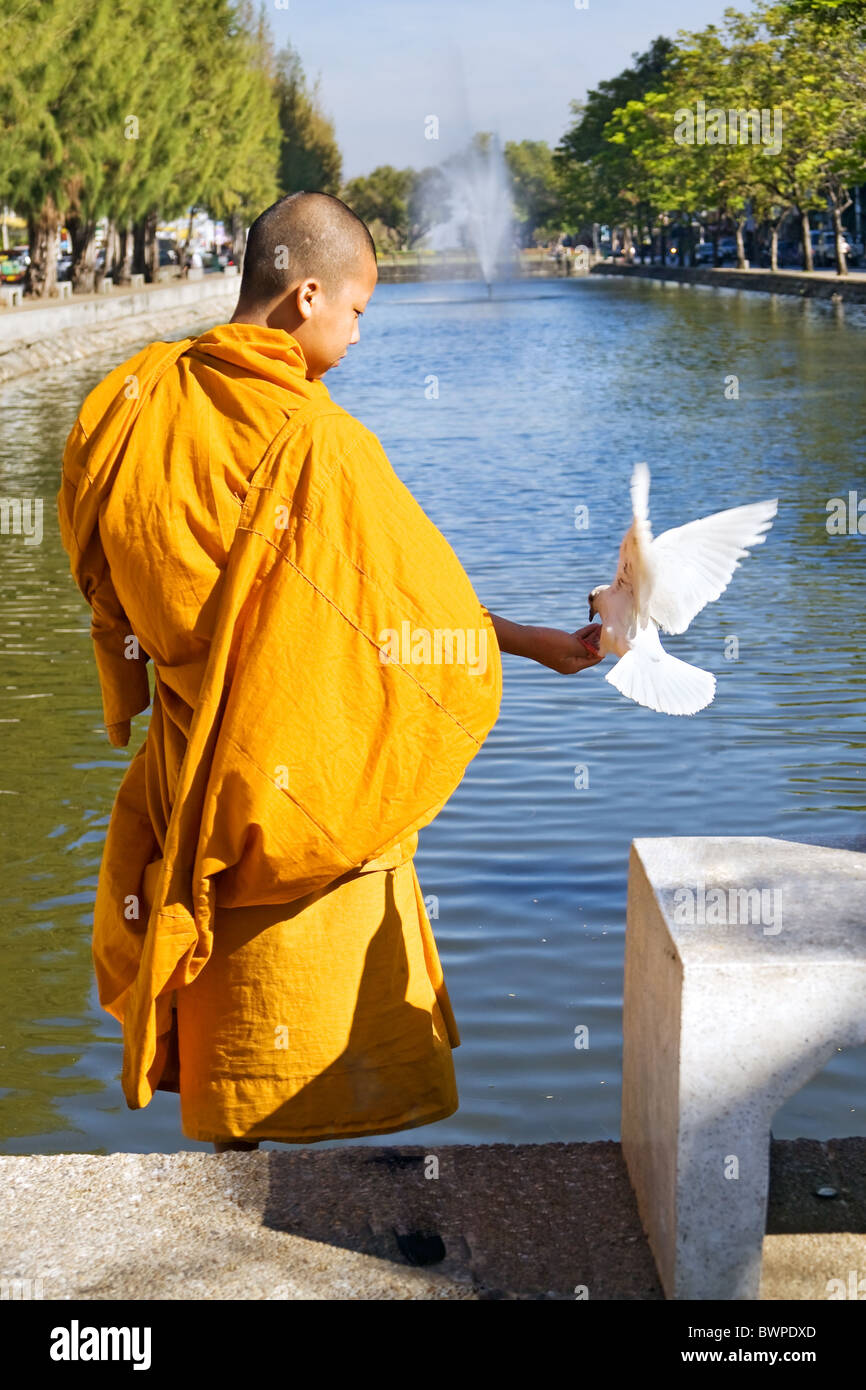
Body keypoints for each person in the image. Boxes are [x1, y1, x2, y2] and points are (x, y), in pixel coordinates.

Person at [57, 192, 602, 1153]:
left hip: (196, 766)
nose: (356, 337)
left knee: (227, 1046)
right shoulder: (322, 443)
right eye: (356, 314)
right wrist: (530, 644)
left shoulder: (132, 405)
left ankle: (225, 1174)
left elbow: (110, 582)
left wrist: (534, 642)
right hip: (300, 782)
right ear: (308, 295)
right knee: (303, 1007)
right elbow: (405, 622)